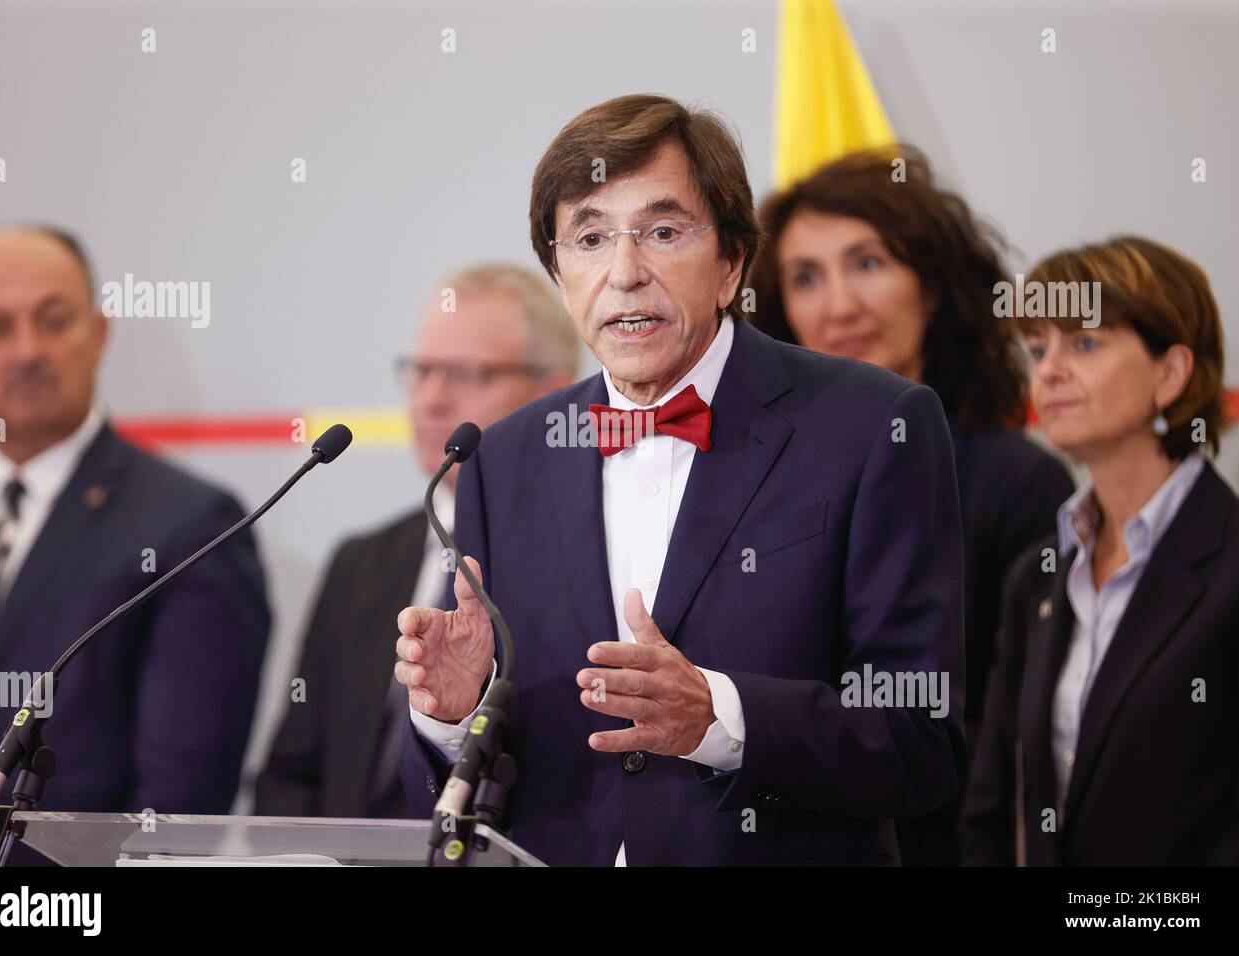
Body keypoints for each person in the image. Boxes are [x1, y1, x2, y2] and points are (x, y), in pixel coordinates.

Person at [393, 95, 966, 866]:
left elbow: (922, 740)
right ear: (560, 274)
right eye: (590, 238)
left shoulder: (873, 426)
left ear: (731, 263)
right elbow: (468, 798)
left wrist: (719, 716)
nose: (626, 273)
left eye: (663, 232)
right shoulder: (503, 458)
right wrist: (459, 713)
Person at [748, 146, 1074, 864]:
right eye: (806, 277)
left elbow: (1029, 741)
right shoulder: (752, 484)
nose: (840, 305)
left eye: (867, 263)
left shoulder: (1021, 483)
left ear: (933, 286)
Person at [0, 226, 269, 847]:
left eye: (54, 320)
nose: (27, 350)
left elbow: (177, 809)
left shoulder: (194, 526)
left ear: (98, 333)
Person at [960, 236, 1239, 865]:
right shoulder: (1036, 577)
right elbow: (992, 809)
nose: (1048, 372)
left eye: (1085, 344)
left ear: (1170, 374)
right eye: (1039, 349)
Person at [255, 263, 576, 818]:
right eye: (422, 371)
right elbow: (290, 774)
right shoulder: (361, 562)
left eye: (465, 374)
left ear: (552, 393)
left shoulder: (577, 562)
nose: (430, 400)